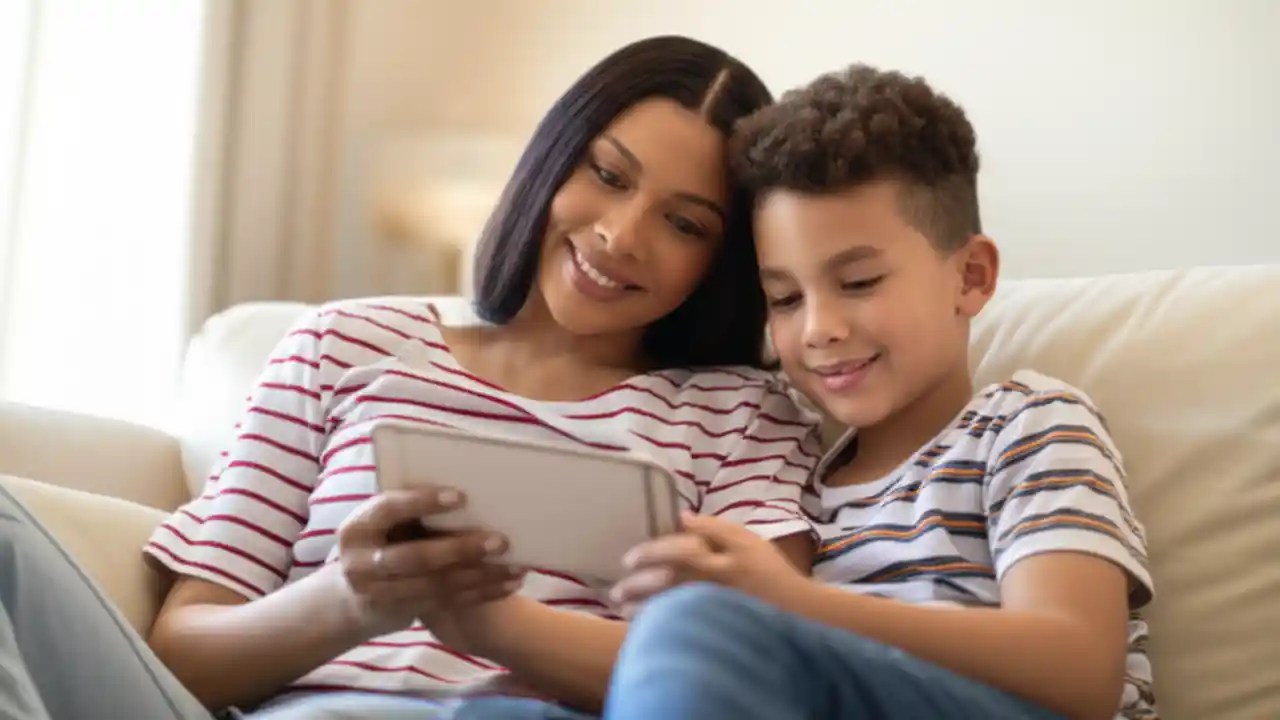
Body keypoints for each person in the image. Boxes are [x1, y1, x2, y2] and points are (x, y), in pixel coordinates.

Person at [0, 36, 822, 719]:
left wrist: (492, 623)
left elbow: (745, 675)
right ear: (554, 160)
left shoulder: (743, 414)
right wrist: (352, 600)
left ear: (721, 262)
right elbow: (184, 653)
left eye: (684, 222)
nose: (619, 235)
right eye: (607, 175)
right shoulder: (339, 344)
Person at [606, 64, 1156, 720]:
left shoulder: (1030, 423)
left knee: (698, 626)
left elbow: (1078, 670)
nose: (819, 330)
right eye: (783, 298)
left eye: (860, 281)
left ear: (971, 277)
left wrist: (787, 602)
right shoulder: (801, 489)